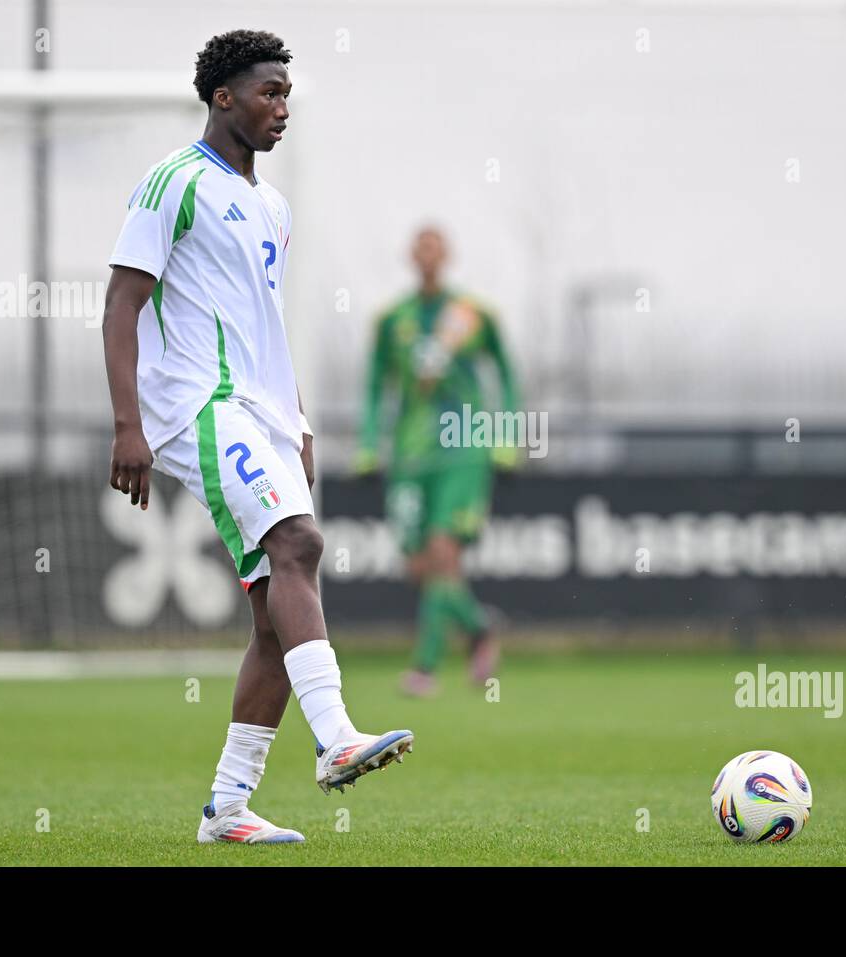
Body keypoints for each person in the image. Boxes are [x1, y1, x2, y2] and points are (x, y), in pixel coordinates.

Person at [102, 29, 412, 846]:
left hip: (262, 413)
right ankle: (335, 735)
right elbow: (122, 303)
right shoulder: (174, 182)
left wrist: (296, 420)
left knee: (275, 616)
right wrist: (128, 423)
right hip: (196, 404)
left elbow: (262, 326)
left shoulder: (272, 206)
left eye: (286, 94)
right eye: (269, 93)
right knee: (299, 543)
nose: (282, 108)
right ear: (223, 97)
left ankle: (228, 807)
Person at [355, 227, 520, 697]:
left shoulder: (473, 314)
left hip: (463, 446)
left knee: (444, 551)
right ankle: (480, 629)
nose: (427, 254)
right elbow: (376, 385)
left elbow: (506, 374)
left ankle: (424, 668)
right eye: (420, 246)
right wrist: (369, 443)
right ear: (411, 255)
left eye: (435, 246)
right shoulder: (393, 320)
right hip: (410, 454)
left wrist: (507, 436)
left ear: (447, 255)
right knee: (420, 565)